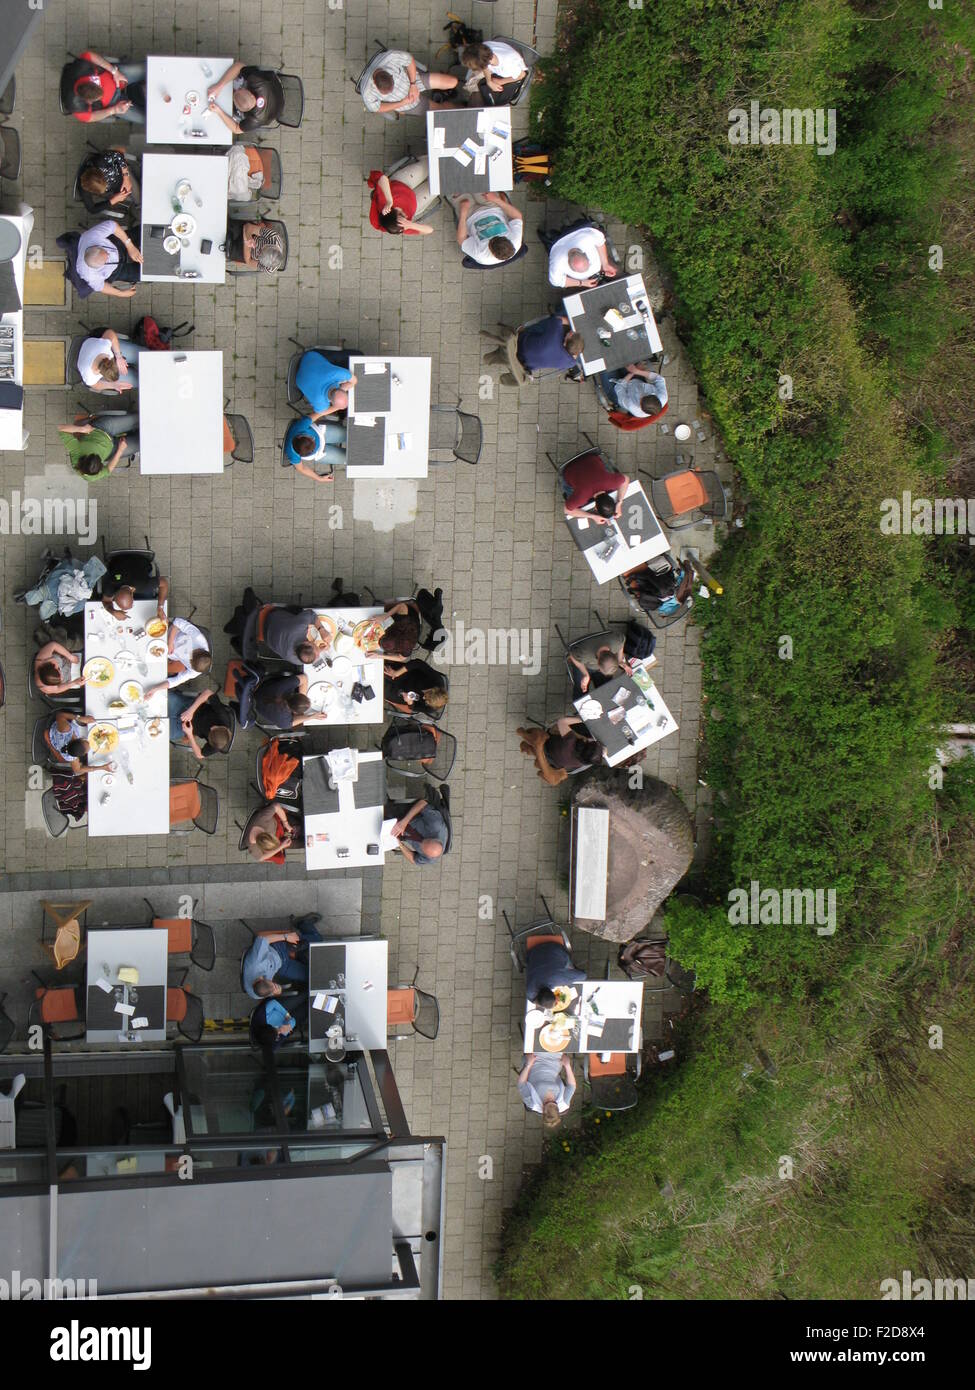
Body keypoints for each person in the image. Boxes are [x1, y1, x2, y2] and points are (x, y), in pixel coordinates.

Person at [481, 314, 584, 385]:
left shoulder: (555, 333)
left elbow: (559, 318)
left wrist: (570, 326)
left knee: (544, 325)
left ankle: (520, 330)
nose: (571, 332)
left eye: (571, 334)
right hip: (522, 365)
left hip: (517, 343)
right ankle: (498, 357)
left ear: (566, 341)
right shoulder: (570, 362)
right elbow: (575, 357)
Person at [242, 915, 324, 999]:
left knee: (317, 939)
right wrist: (278, 991)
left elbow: (262, 939)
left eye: (272, 982)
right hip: (281, 966)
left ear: (259, 979)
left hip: (278, 949)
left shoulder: (256, 962)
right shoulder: (258, 994)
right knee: (309, 975)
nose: (272, 981)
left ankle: (302, 923)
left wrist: (286, 937)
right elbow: (274, 992)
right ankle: (302, 953)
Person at [360, 50, 458, 116]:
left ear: (390, 75)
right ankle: (458, 109)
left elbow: (409, 60)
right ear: (375, 84)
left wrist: (413, 84)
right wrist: (401, 103)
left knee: (453, 82)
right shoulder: (367, 92)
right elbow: (377, 108)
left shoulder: (391, 58)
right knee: (441, 111)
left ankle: (443, 97)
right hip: (406, 103)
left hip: (414, 80)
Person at [61, 52, 146, 123]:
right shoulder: (76, 107)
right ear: (88, 101)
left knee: (147, 68)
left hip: (116, 75)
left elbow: (91, 55)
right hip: (114, 103)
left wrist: (114, 72)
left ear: (92, 82)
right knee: (145, 119)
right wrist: (114, 110)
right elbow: (92, 117)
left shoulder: (81, 68)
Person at [517, 717, 603, 785]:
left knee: (556, 728)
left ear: (585, 742)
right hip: (552, 762)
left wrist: (583, 719)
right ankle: (535, 750)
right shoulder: (581, 762)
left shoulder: (570, 741)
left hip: (549, 743)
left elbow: (562, 721)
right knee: (574, 771)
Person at [206, 60, 283, 133]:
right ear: (251, 94)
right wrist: (219, 86)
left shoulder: (254, 120)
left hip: (274, 107)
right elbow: (239, 66)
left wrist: (219, 111)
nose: (238, 89)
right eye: (240, 89)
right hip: (275, 86)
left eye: (239, 89)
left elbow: (236, 129)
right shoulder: (256, 80)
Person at [144, 616, 210, 697]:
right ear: (199, 649)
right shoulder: (198, 638)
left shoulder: (195, 671)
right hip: (169, 634)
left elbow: (175, 681)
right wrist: (170, 642)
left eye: (190, 662)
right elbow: (178, 622)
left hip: (169, 654)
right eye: (191, 657)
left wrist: (155, 689)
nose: (189, 660)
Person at [75, 219, 143, 297]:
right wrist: (121, 293)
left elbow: (112, 225)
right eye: (106, 259)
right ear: (99, 267)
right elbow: (101, 287)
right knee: (143, 274)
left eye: (105, 252)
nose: (109, 254)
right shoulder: (89, 274)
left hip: (117, 244)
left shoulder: (91, 237)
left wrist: (130, 245)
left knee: (144, 231)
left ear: (96, 246)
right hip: (117, 270)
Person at [561, 449, 630, 524]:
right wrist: (592, 516)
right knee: (570, 495)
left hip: (590, 457)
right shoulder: (581, 498)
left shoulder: (611, 482)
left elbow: (626, 479)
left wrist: (620, 502)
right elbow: (567, 510)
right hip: (569, 468)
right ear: (595, 508)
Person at [455, 191, 523, 266]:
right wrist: (496, 199)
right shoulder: (516, 241)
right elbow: (517, 216)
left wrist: (463, 213)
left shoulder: (481, 256)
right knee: (479, 183)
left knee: (454, 189)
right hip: (492, 207)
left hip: (469, 215)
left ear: (492, 252)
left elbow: (461, 239)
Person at [366, 165, 436, 236]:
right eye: (405, 219)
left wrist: (389, 200)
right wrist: (412, 225)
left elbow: (381, 177)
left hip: (402, 184)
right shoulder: (404, 225)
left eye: (401, 214)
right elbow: (430, 230)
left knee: (428, 164)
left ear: (391, 211)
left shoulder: (383, 202)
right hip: (414, 203)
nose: (406, 216)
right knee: (437, 185)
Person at [547, 224, 618, 290]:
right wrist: (581, 283)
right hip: (583, 280)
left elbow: (601, 241)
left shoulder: (588, 237)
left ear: (584, 253)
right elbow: (556, 282)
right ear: (568, 261)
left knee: (617, 274)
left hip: (600, 270)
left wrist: (605, 264)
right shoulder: (557, 262)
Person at [168, 688, 233, 759]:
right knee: (162, 697)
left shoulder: (216, 744)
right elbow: (208, 692)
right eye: (214, 727)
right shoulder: (223, 716)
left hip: (183, 728)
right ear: (222, 727)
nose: (211, 728)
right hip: (188, 707)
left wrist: (190, 735)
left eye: (210, 731)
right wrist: (191, 711)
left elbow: (200, 755)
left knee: (160, 732)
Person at [294, 350, 357, 420]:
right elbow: (321, 413)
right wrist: (338, 407)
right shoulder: (320, 402)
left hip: (309, 358)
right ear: (331, 402)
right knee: (358, 354)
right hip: (301, 377)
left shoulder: (337, 373)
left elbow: (354, 380)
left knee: (355, 355)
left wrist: (339, 403)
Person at [517, 1053, 576, 1128]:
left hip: (534, 1062)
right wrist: (567, 1066)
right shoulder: (564, 1103)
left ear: (542, 1108)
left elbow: (521, 1084)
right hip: (555, 1063)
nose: (550, 1099)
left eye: (547, 1102)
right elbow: (572, 1086)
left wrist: (528, 1065)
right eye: (553, 1102)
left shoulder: (532, 1103)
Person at [282, 415, 348, 481]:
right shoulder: (292, 454)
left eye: (312, 439)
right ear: (299, 454)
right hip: (320, 453)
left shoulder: (300, 427)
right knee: (348, 458)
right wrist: (319, 478)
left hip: (321, 433)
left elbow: (319, 413)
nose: (315, 443)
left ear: (300, 436)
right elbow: (301, 469)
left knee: (349, 433)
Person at [58, 420, 130, 480]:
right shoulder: (91, 476)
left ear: (85, 459)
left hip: (103, 430)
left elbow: (60, 429)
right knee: (138, 443)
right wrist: (120, 450)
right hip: (114, 449)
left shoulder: (76, 451)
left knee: (135, 420)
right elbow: (108, 470)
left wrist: (82, 429)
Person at [386, 796, 448, 866]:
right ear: (433, 838)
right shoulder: (436, 825)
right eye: (424, 842)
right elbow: (423, 803)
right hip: (409, 817)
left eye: (422, 848)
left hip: (404, 834)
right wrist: (404, 822)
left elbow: (413, 860)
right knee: (383, 812)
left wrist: (401, 845)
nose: (421, 843)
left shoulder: (430, 859)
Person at [461, 40, 528, 104]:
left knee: (474, 86)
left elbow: (522, 75)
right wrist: (489, 81)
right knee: (472, 83)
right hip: (498, 68)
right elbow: (485, 67)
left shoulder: (507, 66)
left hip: (514, 74)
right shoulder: (484, 48)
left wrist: (501, 81)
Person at [525, 939, 586, 1008]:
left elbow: (583, 975)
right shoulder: (530, 990)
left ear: (553, 992)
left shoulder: (560, 979)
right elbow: (532, 999)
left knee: (568, 965)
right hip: (534, 952)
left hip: (554, 948)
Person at [262, 607, 333, 665]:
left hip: (271, 623)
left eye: (314, 645)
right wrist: (319, 650)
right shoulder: (298, 661)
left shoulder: (297, 628)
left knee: (301, 611)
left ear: (306, 643)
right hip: (267, 635)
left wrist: (322, 630)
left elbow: (311, 614)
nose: (314, 643)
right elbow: (311, 614)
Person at [566, 633, 631, 695]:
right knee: (580, 689)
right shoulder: (584, 654)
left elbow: (622, 642)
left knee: (606, 688)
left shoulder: (617, 642)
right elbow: (572, 655)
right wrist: (586, 674)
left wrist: (620, 661)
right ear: (597, 663)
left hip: (592, 655)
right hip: (584, 664)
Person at [76, 329, 140, 392]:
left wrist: (119, 357)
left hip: (92, 347)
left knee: (142, 353)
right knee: (138, 381)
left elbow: (110, 333)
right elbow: (96, 385)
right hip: (89, 351)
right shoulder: (89, 376)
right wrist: (113, 385)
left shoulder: (103, 347)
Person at [601, 362, 668, 419]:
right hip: (636, 381)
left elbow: (619, 387)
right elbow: (658, 378)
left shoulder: (632, 406)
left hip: (619, 390)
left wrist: (632, 373)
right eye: (646, 394)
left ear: (641, 407)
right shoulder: (662, 397)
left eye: (641, 398)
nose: (642, 394)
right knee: (624, 357)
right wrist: (637, 371)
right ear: (655, 396)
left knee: (604, 365)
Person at [383, 659, 448, 717]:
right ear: (433, 689)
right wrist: (397, 673)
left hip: (403, 695)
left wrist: (410, 702)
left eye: (425, 700)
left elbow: (413, 707)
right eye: (426, 695)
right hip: (405, 675)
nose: (423, 697)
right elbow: (418, 663)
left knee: (380, 690)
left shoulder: (431, 708)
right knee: (382, 671)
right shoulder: (437, 680)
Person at [100, 568, 169, 621]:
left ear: (133, 593)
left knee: (148, 595)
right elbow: (106, 601)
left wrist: (160, 607)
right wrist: (113, 612)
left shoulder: (144, 585)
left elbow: (164, 582)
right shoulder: (110, 586)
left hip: (141, 559)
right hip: (119, 561)